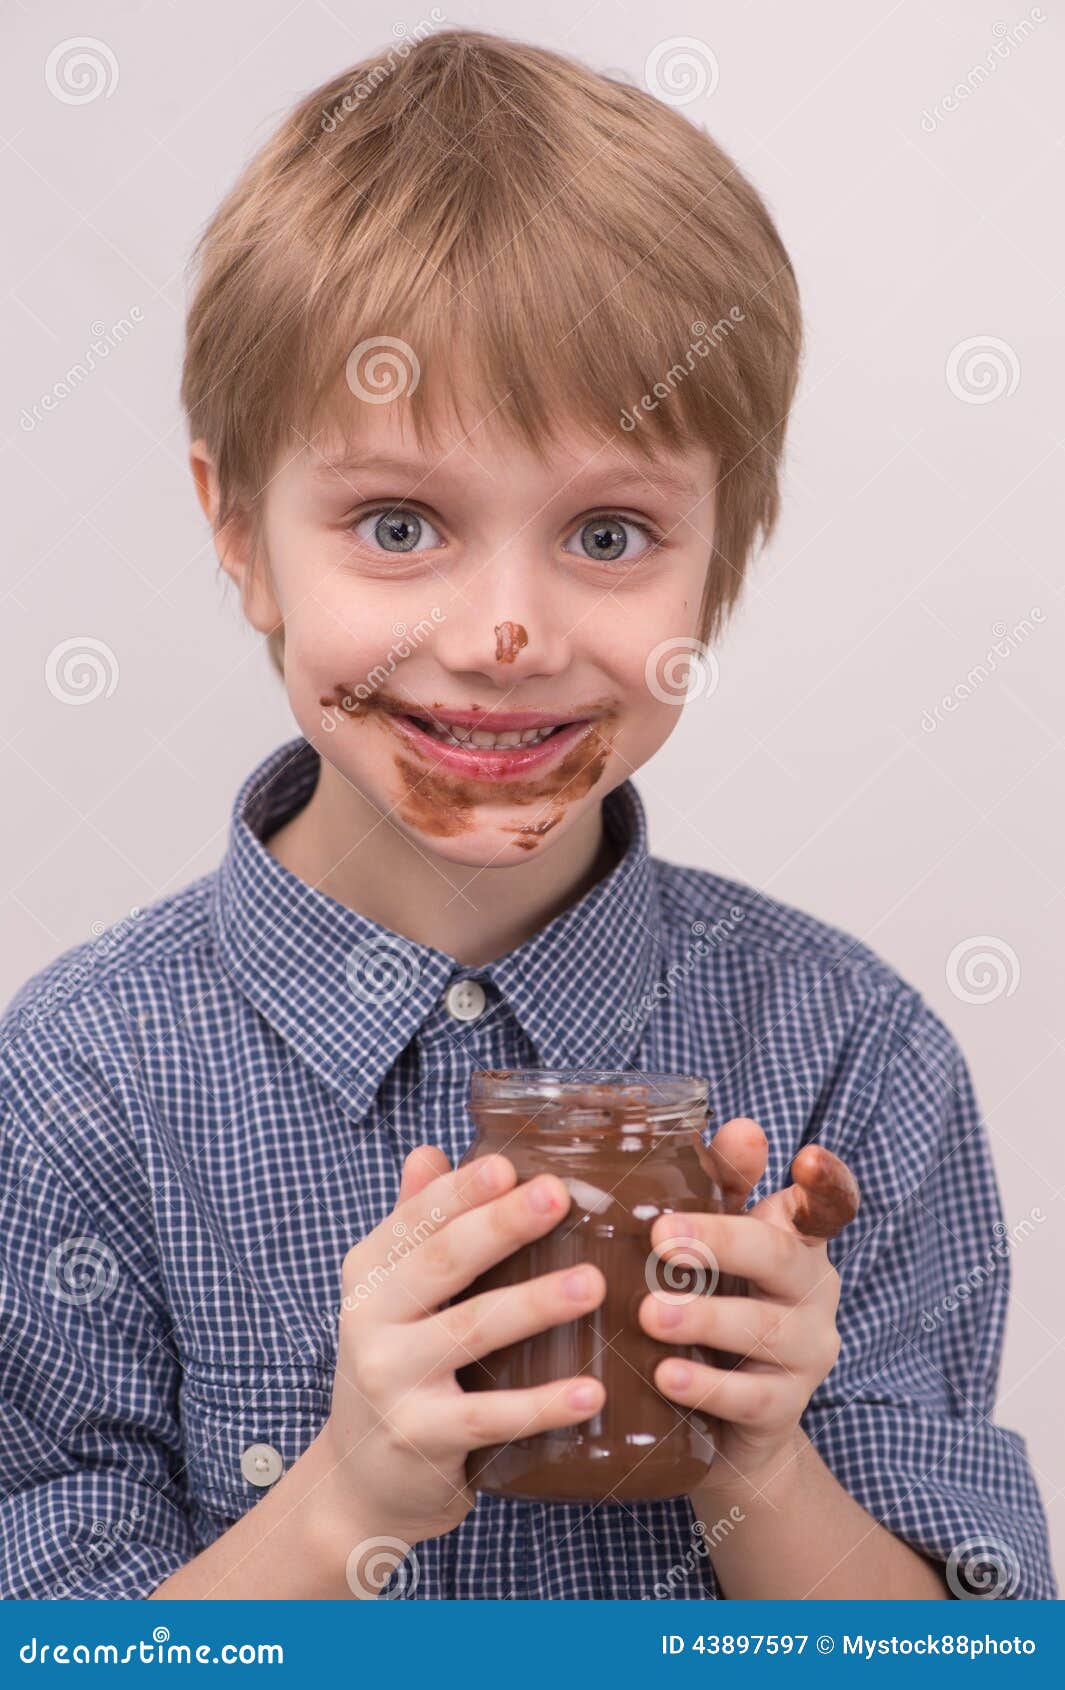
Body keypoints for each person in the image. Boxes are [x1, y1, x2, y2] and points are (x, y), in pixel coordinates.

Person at [0, 29, 1053, 1601]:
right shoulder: (75, 1085)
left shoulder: (855, 1056)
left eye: (607, 533)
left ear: (723, 555)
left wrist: (762, 1463)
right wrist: (344, 1497)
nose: (506, 632)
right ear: (239, 533)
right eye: (398, 523)